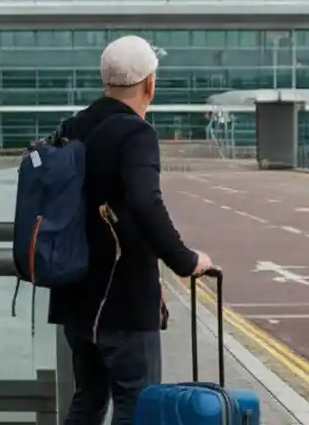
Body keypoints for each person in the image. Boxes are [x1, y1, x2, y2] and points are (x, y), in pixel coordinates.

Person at [48, 34, 213, 425]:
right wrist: (185, 261)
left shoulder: (72, 127)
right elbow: (145, 202)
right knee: (136, 406)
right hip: (121, 300)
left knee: (88, 400)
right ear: (150, 85)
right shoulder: (136, 134)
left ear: (105, 81)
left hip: (75, 296)